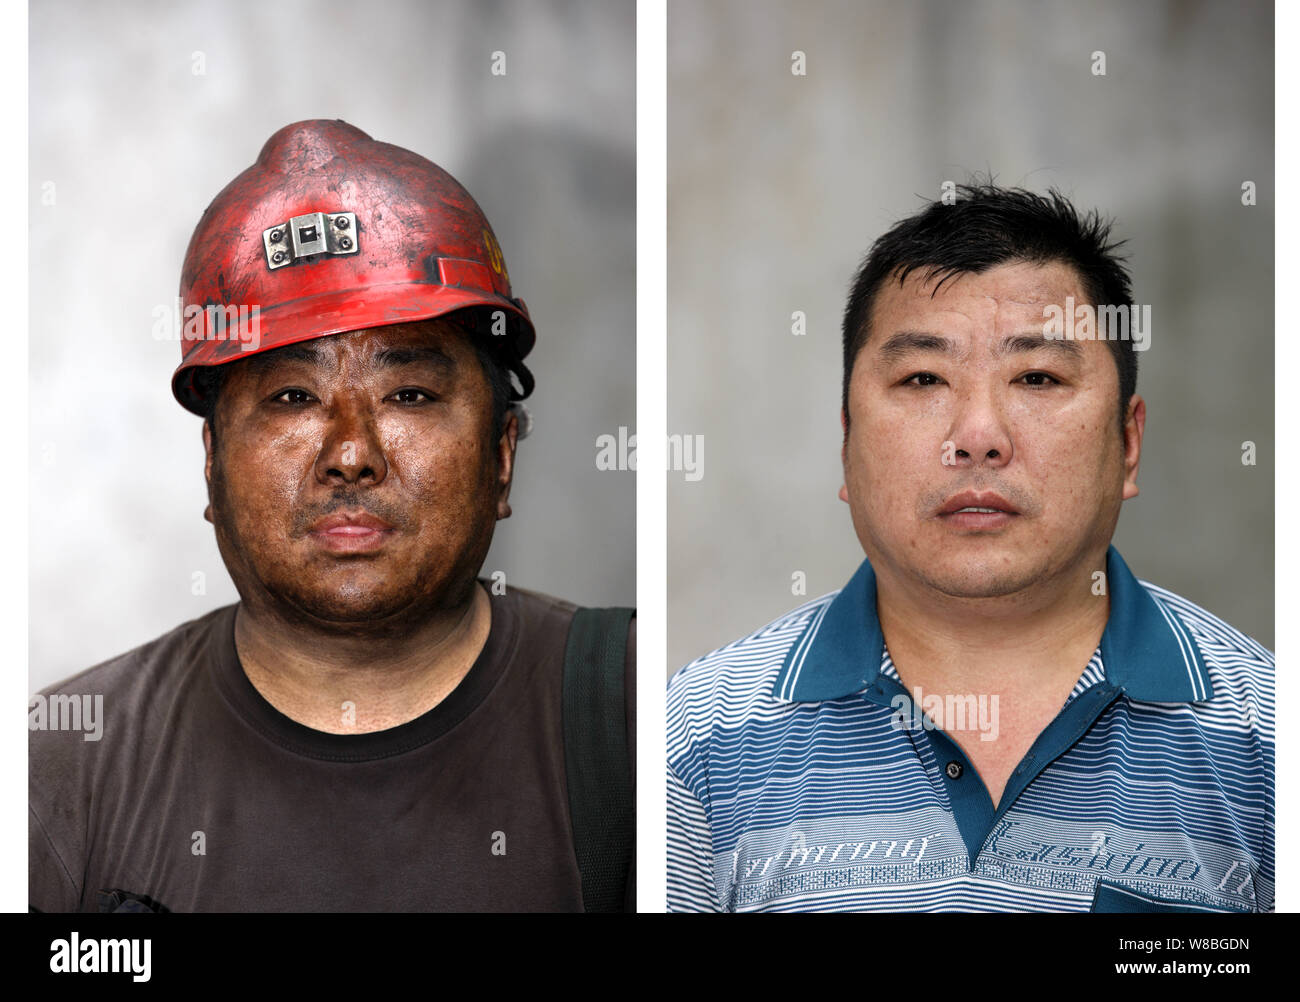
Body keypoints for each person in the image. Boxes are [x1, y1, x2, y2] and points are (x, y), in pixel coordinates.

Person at [30, 120, 635, 913]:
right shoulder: (60, 767)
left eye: (409, 395)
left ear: (501, 454)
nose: (352, 452)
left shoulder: (641, 716)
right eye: (292, 398)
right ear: (211, 460)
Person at [666, 183, 1272, 913]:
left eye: (1038, 377)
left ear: (1129, 443)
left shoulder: (1268, 738)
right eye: (923, 378)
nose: (977, 435)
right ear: (846, 441)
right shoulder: (693, 741)